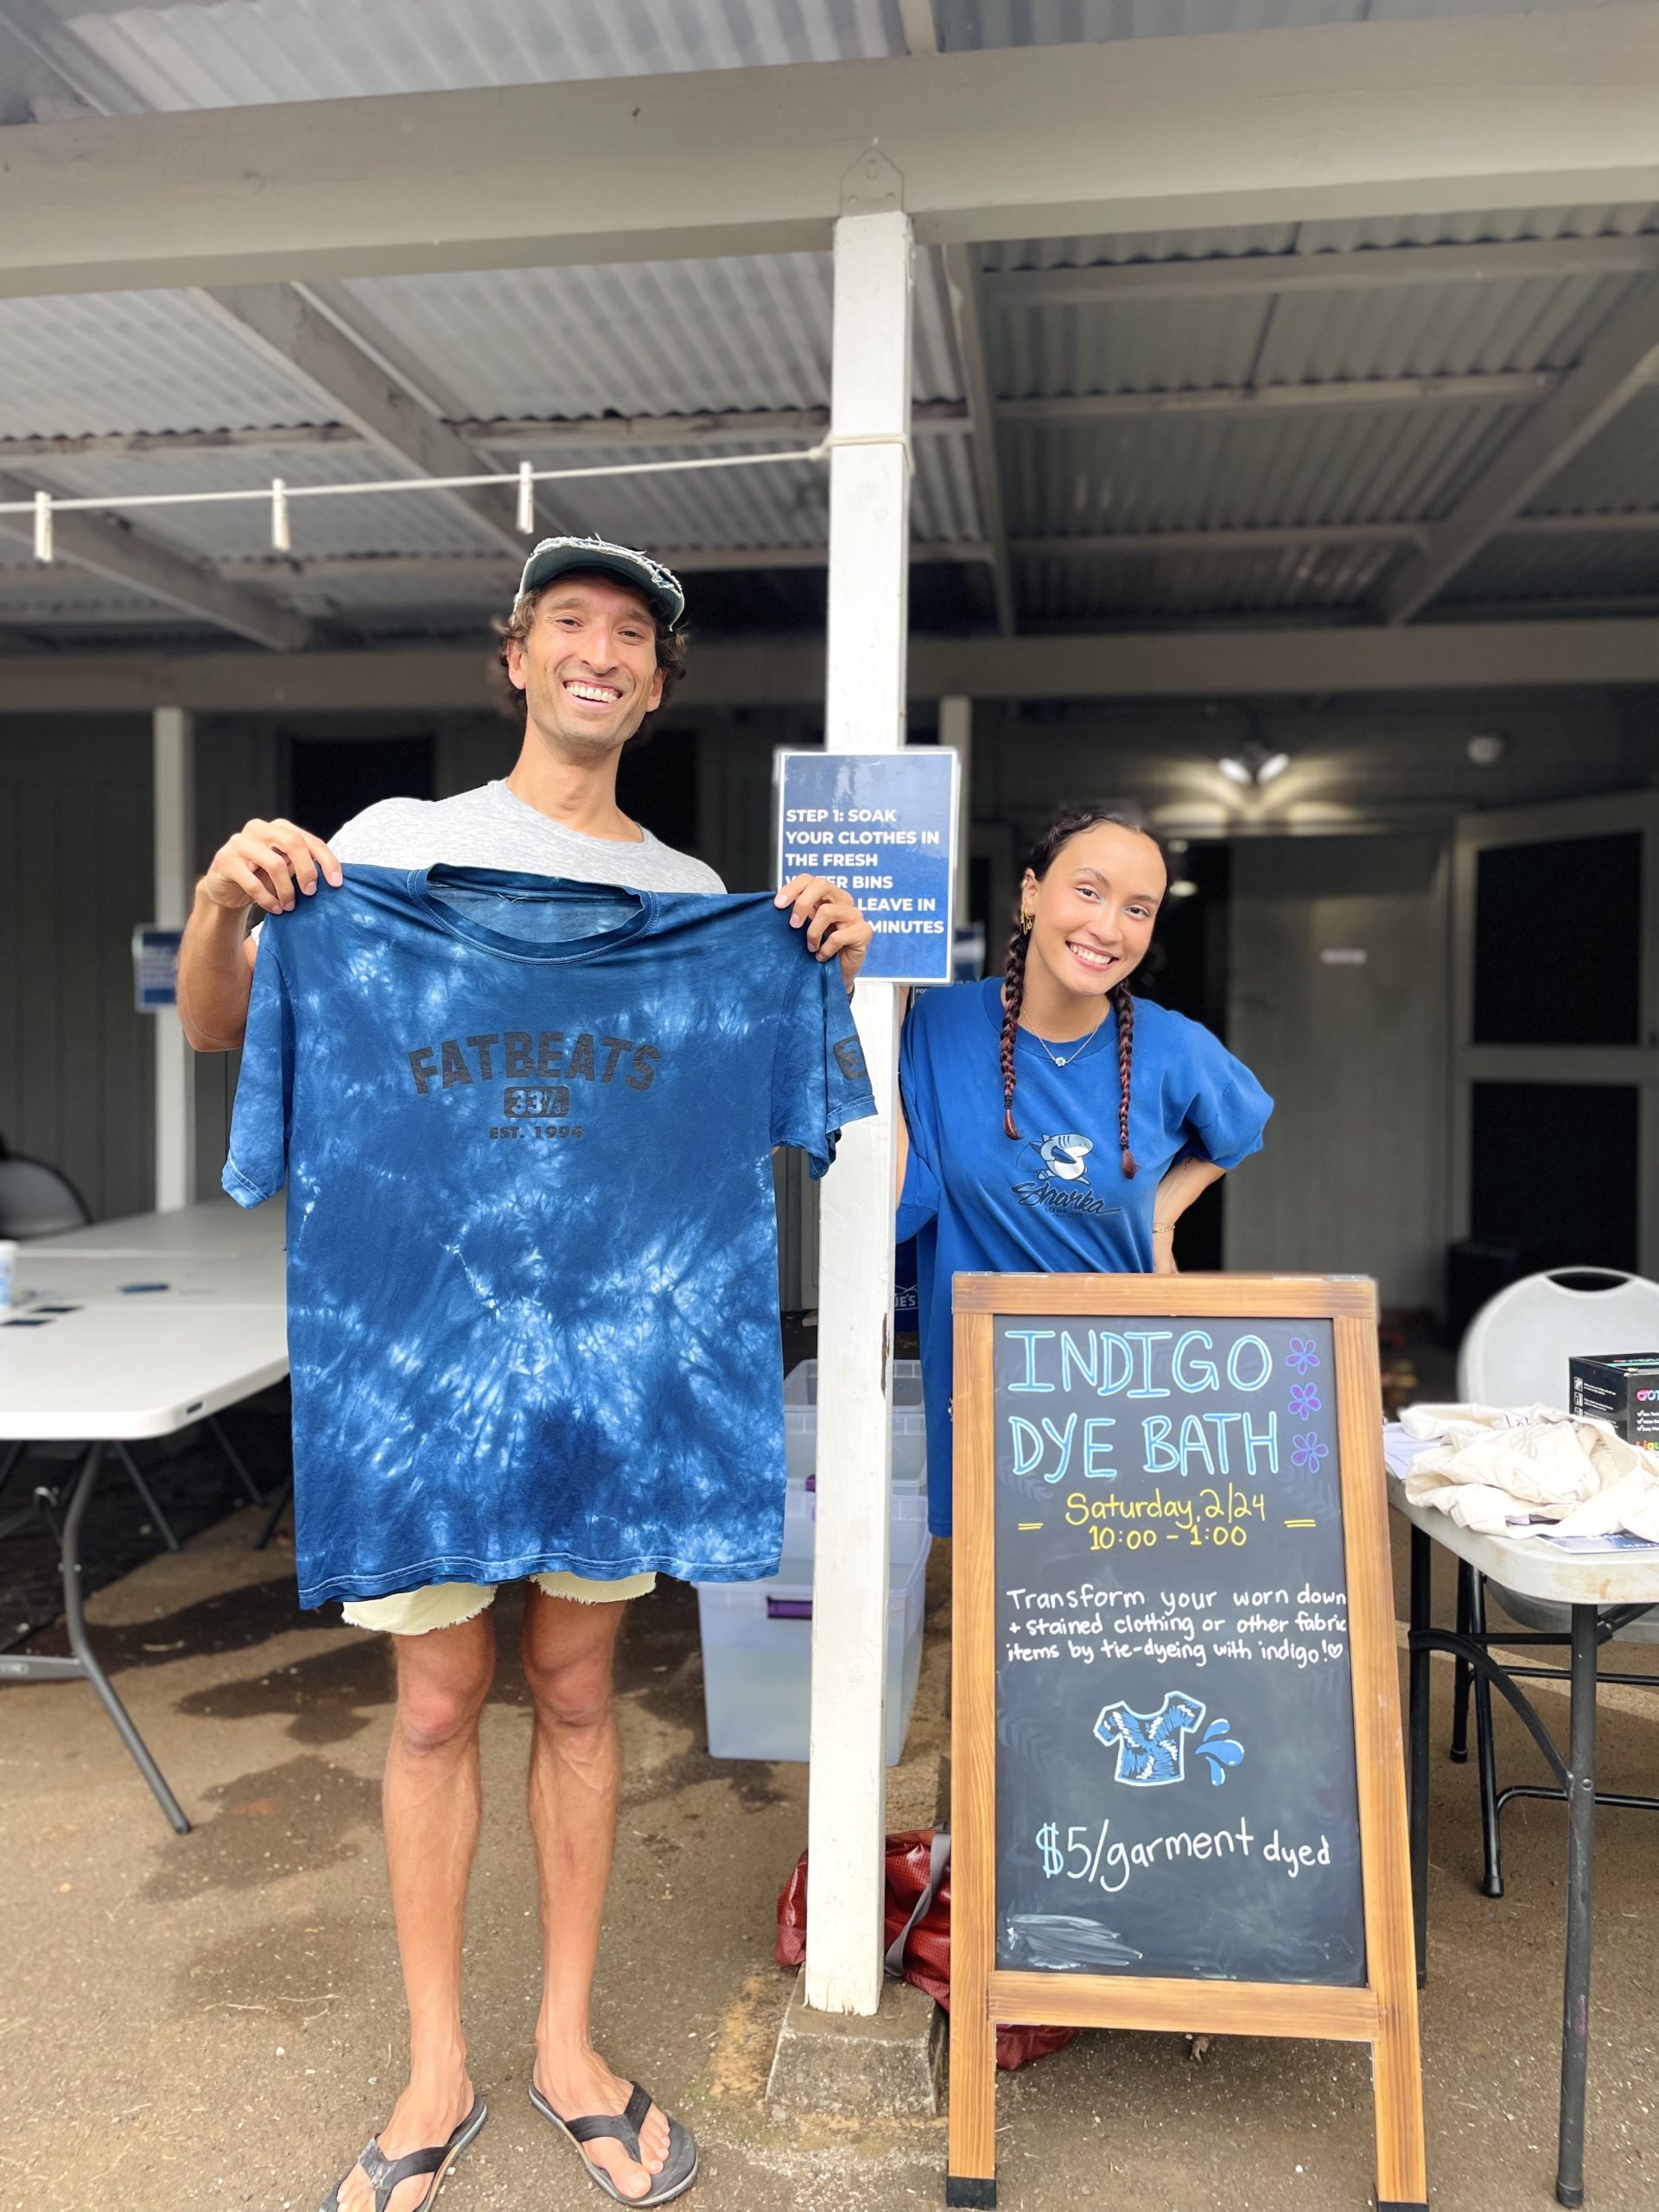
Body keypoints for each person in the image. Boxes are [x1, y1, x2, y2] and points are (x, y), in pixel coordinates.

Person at [177, 536, 873, 2212]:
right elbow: (222, 1033)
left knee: (574, 1693)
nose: (599, 651)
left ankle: (566, 2044)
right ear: (517, 653)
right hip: (421, 1372)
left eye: (631, 635)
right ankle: (436, 2062)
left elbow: (804, 1106)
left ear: (657, 680)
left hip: (613, 1383)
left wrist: (812, 962)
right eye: (572, 621)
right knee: (432, 1705)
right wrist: (219, 900)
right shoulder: (386, 856)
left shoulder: (700, 900)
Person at [896, 804, 1273, 1540]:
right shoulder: (934, 1028)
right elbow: (901, 1194)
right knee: (993, 1613)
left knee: (1109, 1615)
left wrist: (1163, 1214)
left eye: (1139, 909)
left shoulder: (1174, 1047)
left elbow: (1244, 1125)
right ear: (1031, 894)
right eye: (1089, 892)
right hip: (981, 1386)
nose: (1109, 928)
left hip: (1123, 1387)